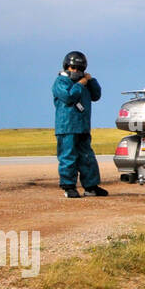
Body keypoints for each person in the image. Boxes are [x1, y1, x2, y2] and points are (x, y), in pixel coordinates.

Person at [53, 51, 106, 199]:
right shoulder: (60, 82)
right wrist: (79, 84)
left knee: (87, 157)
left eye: (79, 68)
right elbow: (69, 97)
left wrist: (91, 80)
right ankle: (68, 187)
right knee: (68, 157)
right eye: (72, 68)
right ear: (66, 67)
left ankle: (91, 186)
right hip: (66, 127)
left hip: (83, 127)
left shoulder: (86, 83)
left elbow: (96, 96)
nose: (75, 71)